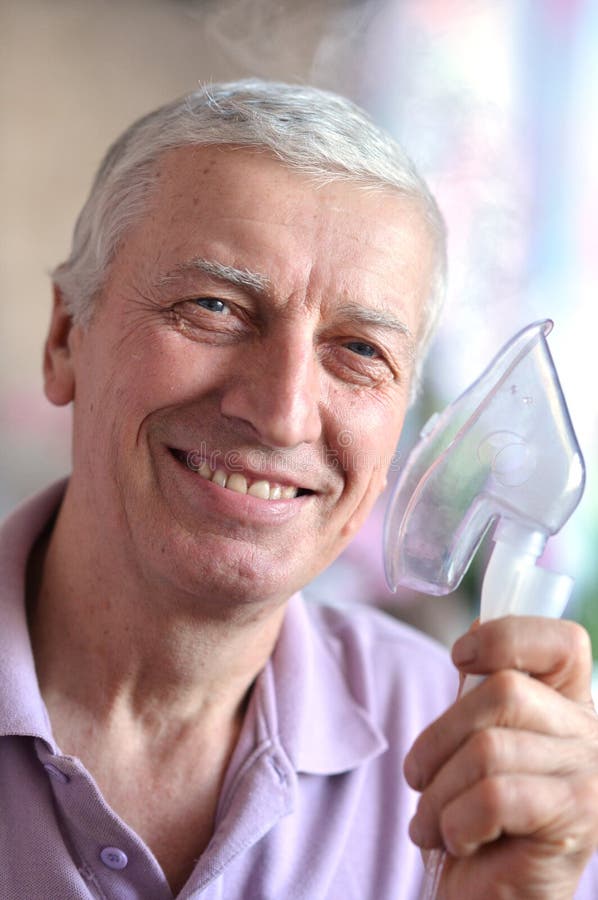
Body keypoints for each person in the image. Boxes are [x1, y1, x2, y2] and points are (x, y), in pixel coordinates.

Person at [0, 80, 596, 900]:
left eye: (358, 351)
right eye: (213, 306)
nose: (281, 415)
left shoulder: (471, 752)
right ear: (66, 336)